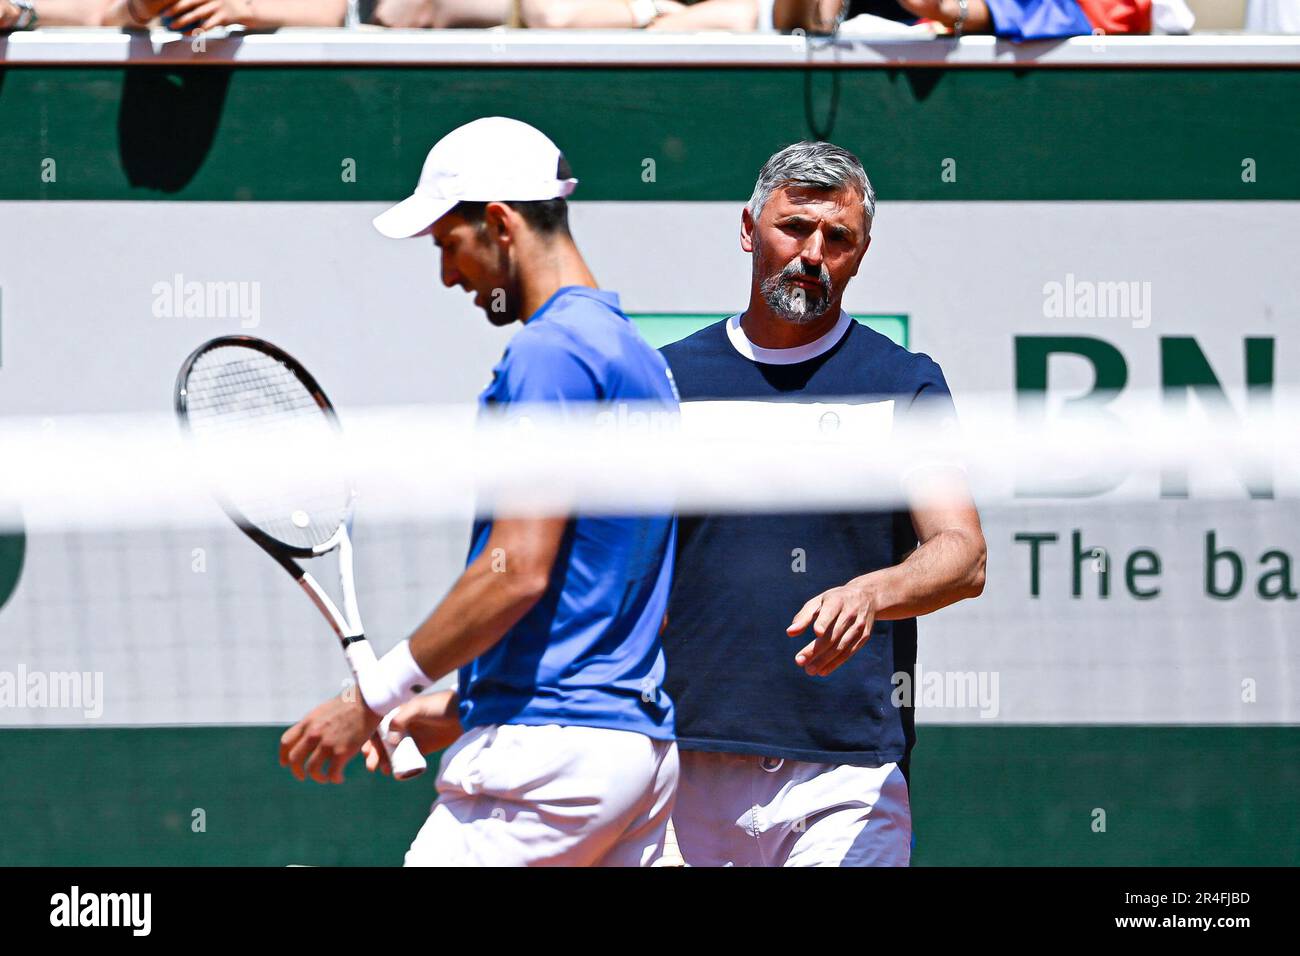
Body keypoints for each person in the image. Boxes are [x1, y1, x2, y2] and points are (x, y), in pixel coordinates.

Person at [279, 117, 681, 867]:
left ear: (499, 223)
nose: (447, 276)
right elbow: (598, 592)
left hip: (547, 769)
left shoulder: (548, 353)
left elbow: (517, 567)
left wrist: (371, 696)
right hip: (637, 754)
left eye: (446, 245)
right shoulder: (638, 359)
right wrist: (462, 707)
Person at [658, 140, 986, 867]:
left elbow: (962, 555)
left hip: (846, 780)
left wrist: (874, 591)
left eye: (837, 238)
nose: (813, 251)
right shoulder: (666, 380)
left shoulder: (905, 381)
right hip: (676, 767)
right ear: (749, 229)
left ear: (860, 255)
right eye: (794, 228)